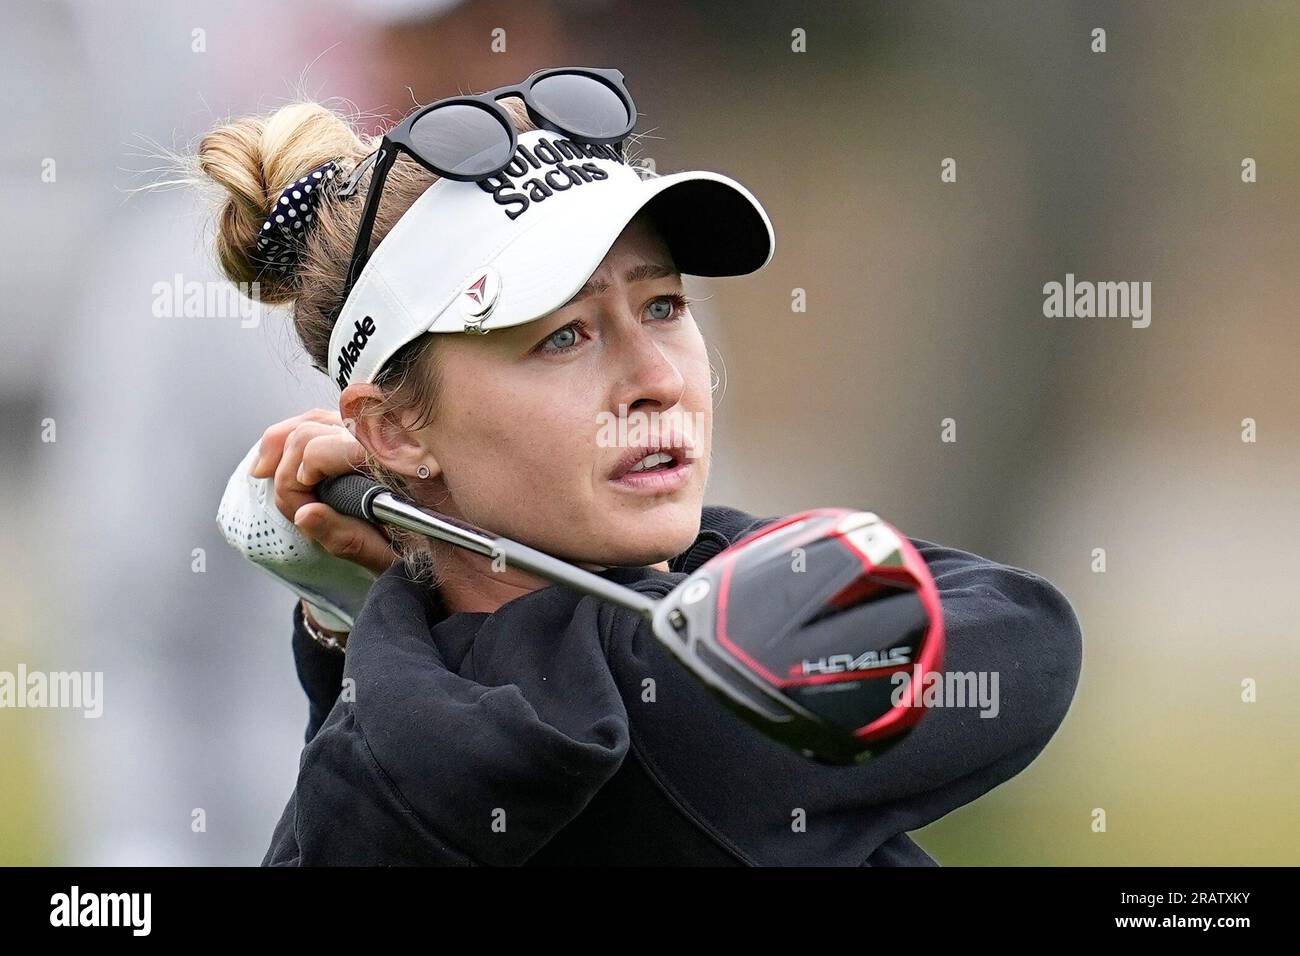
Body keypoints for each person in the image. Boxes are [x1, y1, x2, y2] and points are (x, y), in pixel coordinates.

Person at [200, 68, 1083, 865]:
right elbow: (1028, 636)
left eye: (663, 305)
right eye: (564, 336)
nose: (658, 380)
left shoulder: (398, 736)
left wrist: (354, 621)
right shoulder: (668, 703)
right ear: (391, 431)